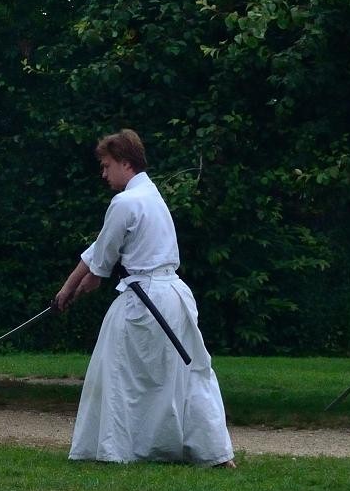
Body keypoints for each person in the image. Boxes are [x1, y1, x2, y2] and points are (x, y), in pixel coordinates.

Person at [55, 129, 234, 467]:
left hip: (147, 299)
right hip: (172, 297)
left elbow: (103, 262)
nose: (104, 173)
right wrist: (68, 288)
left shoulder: (126, 202)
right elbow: (100, 250)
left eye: (107, 166)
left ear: (126, 163)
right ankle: (214, 452)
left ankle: (116, 449)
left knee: (117, 370)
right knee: (189, 371)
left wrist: (80, 287)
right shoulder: (151, 195)